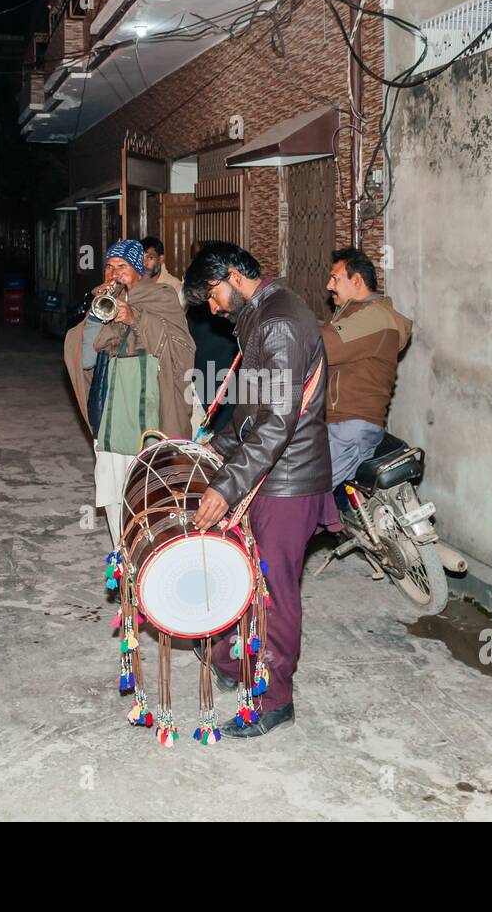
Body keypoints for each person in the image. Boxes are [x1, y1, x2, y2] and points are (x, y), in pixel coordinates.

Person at [186, 241, 339, 739]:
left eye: (211, 293)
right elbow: (251, 410)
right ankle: (235, 665)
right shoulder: (261, 315)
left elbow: (276, 422)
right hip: (272, 474)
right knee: (247, 574)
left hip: (287, 481)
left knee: (274, 591)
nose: (211, 307)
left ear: (233, 274)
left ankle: (275, 701)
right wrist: (211, 448)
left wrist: (227, 486)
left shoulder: (278, 322)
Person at [64, 240, 194, 546]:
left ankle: (152, 554)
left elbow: (181, 351)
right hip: (113, 418)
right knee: (115, 495)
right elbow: (84, 360)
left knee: (151, 492)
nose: (114, 273)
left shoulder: (161, 297)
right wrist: (96, 318)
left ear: (138, 269)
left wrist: (135, 318)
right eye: (109, 266)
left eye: (122, 266)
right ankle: (123, 555)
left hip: (151, 416)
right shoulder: (102, 302)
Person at [321, 247, 412, 489]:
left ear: (357, 280)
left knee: (298, 493)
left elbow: (320, 346)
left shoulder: (375, 318)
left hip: (349, 427)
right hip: (337, 424)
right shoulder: (353, 315)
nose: (329, 286)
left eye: (335, 278)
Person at [141, 236, 184, 307]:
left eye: (150, 257)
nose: (144, 263)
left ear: (161, 258)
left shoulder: (175, 287)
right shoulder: (133, 284)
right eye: (141, 258)